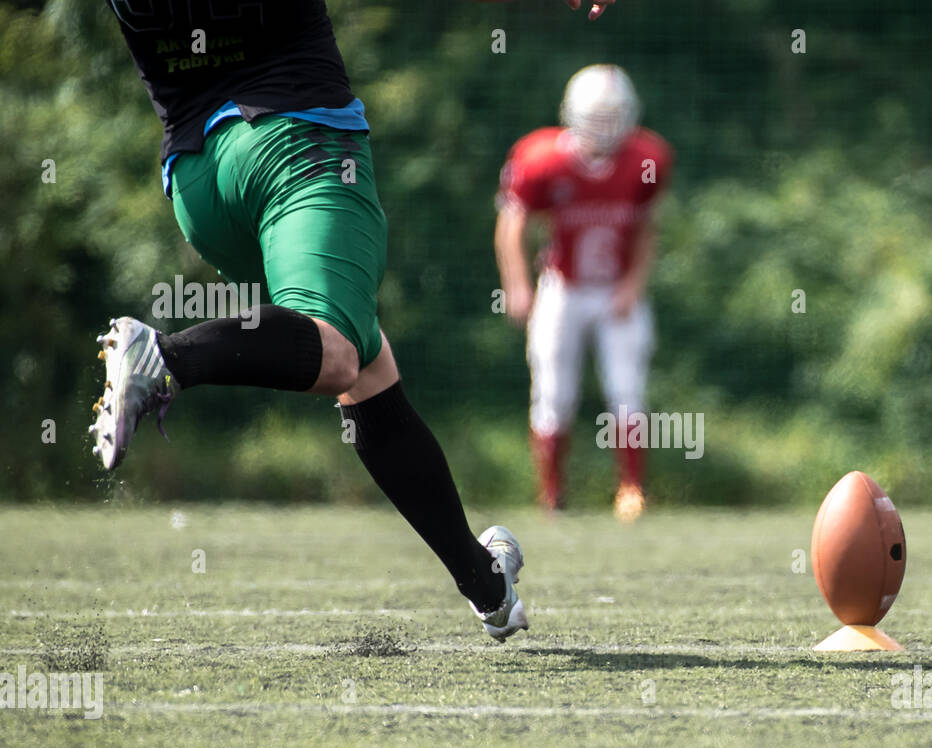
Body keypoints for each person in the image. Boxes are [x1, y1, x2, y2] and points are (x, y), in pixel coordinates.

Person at [89, 0, 617, 639]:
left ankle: (486, 586)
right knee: (337, 350)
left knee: (363, 367)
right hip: (295, 147)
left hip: (197, 185)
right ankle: (167, 358)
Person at [495, 64, 673, 522]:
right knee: (553, 392)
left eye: (614, 114)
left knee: (628, 389)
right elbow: (512, 225)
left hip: (616, 288)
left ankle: (632, 490)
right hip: (564, 286)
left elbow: (647, 229)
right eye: (597, 115)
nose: (606, 125)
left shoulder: (646, 159)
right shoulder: (541, 159)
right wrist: (517, 286)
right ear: (572, 114)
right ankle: (552, 494)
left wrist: (633, 286)